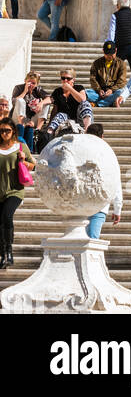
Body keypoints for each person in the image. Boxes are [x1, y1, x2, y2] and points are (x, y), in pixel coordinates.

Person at [0, 117, 36, 267]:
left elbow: (33, 166)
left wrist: (24, 161)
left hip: (15, 190)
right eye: (1, 131)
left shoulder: (20, 146)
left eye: (7, 130)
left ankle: (9, 251)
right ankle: (2, 254)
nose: (4, 134)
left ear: (13, 131)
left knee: (7, 216)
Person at [46, 65, 94, 135]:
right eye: (63, 78)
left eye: (68, 79)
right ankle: (48, 135)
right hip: (66, 119)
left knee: (85, 104)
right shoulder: (57, 91)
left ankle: (87, 130)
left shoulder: (79, 88)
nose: (65, 80)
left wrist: (70, 89)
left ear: (73, 80)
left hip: (80, 118)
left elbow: (82, 99)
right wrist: (50, 124)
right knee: (60, 114)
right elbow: (54, 109)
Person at [10, 70, 50, 150]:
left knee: (46, 103)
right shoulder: (19, 88)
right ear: (25, 80)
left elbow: (50, 99)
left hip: (32, 119)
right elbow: (14, 102)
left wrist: (41, 103)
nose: (31, 85)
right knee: (20, 100)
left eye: (33, 83)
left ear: (37, 84)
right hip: (18, 119)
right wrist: (25, 91)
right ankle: (23, 124)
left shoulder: (38, 90)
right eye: (29, 82)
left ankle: (38, 130)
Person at [85, 42, 127, 109]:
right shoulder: (96, 63)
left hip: (113, 92)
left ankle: (98, 104)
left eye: (112, 54)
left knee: (120, 93)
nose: (109, 56)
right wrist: (99, 90)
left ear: (116, 50)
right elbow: (93, 78)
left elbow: (122, 81)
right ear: (103, 51)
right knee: (85, 92)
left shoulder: (121, 64)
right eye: (107, 54)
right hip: (99, 92)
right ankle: (108, 102)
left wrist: (111, 90)